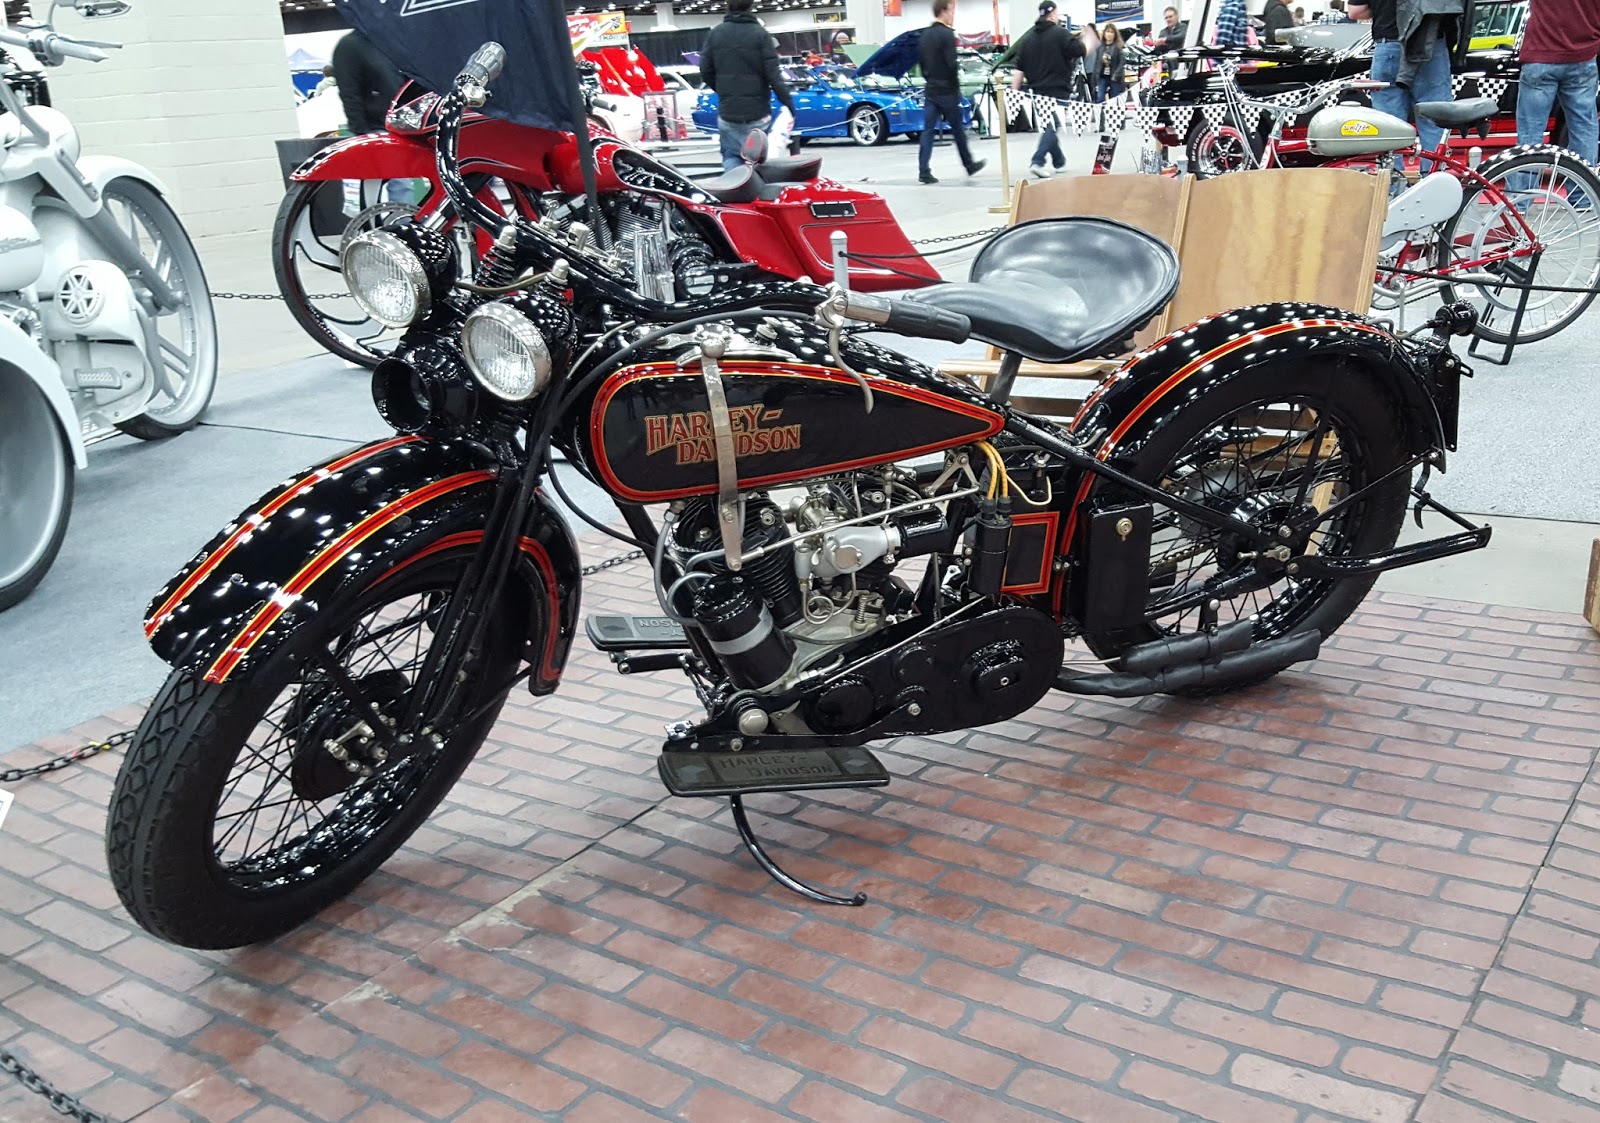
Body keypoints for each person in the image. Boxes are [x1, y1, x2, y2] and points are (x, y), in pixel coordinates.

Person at [1348, 0, 1457, 158]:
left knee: (1388, 122)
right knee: (1435, 117)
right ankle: (1434, 177)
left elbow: (1355, 12)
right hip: (1429, 43)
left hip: (1388, 45)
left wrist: (1385, 12)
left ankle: (1392, 179)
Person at [699, 0, 797, 171]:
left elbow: (705, 70)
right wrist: (788, 103)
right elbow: (773, 75)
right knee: (759, 160)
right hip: (757, 111)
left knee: (731, 156)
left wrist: (723, 90)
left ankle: (735, 190)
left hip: (728, 111)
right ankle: (758, 192)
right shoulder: (760, 34)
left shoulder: (715, 34)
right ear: (751, 6)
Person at [1514, 0, 1600, 163]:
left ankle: (1523, 188)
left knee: (1530, 134)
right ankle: (1583, 187)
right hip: (1584, 55)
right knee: (1584, 129)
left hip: (1540, 54)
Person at [1011, 0, 1085, 178]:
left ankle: (1059, 161)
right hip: (1058, 89)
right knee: (1054, 125)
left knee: (1048, 126)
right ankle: (1037, 161)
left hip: (1036, 91)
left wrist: (1014, 92)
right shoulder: (1060, 34)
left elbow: (1019, 69)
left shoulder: (1027, 39)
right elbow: (1080, 50)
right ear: (1052, 14)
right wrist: (1086, 40)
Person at [916, 0, 986, 183]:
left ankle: (924, 170)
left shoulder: (924, 35)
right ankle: (969, 165)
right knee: (958, 130)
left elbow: (922, 64)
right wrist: (955, 88)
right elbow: (951, 64)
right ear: (944, 11)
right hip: (947, 90)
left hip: (931, 89)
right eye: (951, 10)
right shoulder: (947, 35)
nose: (952, 15)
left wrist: (930, 78)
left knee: (928, 131)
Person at [331, 29, 403, 137]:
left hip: (407, 126)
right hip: (378, 130)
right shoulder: (350, 45)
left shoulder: (394, 40)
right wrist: (362, 133)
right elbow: (350, 94)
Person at [1098, 24, 1126, 102]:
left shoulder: (1119, 47)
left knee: (1114, 99)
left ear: (1115, 34)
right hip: (1102, 76)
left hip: (1114, 77)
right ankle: (1101, 113)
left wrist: (1116, 75)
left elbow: (1122, 63)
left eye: (1112, 32)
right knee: (1100, 97)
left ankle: (1113, 113)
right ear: (1104, 33)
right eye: (1107, 32)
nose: (1109, 34)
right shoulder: (1100, 47)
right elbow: (1097, 64)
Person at [1079, 21, 1101, 100]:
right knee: (1092, 90)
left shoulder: (1087, 41)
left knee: (1089, 90)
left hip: (1088, 70)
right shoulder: (1096, 41)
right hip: (1091, 70)